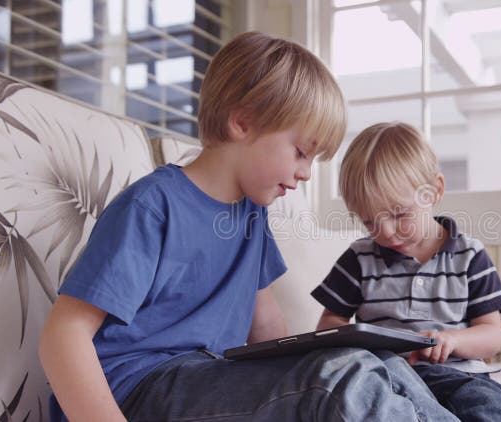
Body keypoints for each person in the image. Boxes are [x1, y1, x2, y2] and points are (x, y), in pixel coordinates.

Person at [39, 32, 458, 422]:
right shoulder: (153, 207)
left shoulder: (251, 216)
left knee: (377, 363)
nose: (306, 173)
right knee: (341, 380)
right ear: (242, 122)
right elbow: (64, 334)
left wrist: (304, 365)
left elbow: (267, 326)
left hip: (209, 377)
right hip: (137, 390)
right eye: (301, 152)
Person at [311, 122, 501, 422]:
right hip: (395, 379)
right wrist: (361, 343)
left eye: (399, 214)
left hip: (462, 374)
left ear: (434, 192)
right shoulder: (359, 259)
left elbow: (492, 335)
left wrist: (452, 340)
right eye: (370, 222)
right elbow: (330, 323)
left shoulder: (470, 256)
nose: (386, 232)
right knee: (486, 407)